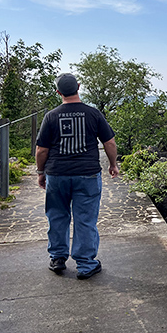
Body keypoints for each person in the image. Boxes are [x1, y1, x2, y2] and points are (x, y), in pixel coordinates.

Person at [35, 73, 120, 279]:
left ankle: (57, 258)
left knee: (57, 216)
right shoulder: (93, 114)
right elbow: (109, 142)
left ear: (58, 92)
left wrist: (40, 172)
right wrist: (112, 164)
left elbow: (41, 150)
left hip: (57, 175)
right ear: (78, 87)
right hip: (88, 175)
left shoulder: (51, 116)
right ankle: (85, 264)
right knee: (85, 219)